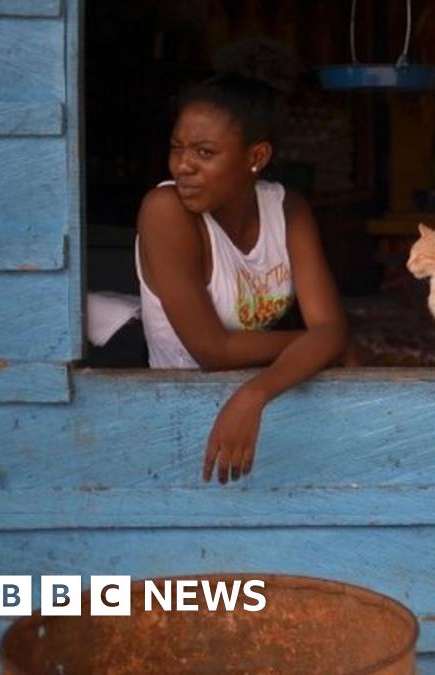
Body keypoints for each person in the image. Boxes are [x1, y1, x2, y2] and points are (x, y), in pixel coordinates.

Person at [135, 39, 349, 485]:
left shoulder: (288, 210)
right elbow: (213, 350)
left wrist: (254, 394)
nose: (183, 166)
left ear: (256, 158)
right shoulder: (166, 212)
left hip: (261, 411)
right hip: (176, 422)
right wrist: (314, 344)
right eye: (178, 148)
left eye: (205, 153)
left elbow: (332, 329)